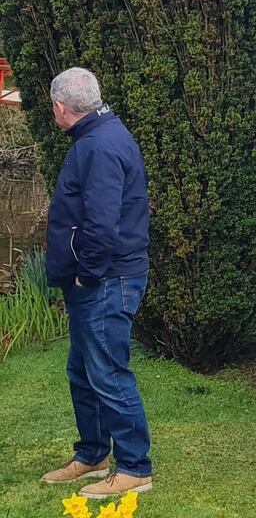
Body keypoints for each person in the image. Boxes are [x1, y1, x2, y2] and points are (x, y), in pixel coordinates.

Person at [39, 67, 153, 500]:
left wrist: (86, 273)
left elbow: (102, 225)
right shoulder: (96, 137)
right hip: (100, 278)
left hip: (106, 279)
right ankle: (92, 455)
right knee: (83, 370)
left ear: (61, 107)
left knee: (108, 371)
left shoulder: (101, 145)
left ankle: (135, 467)